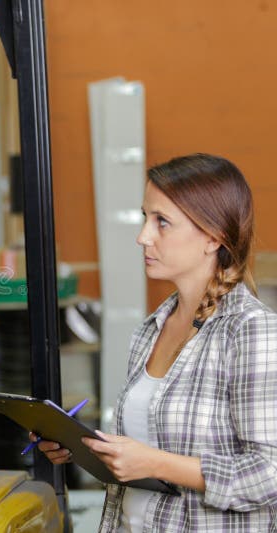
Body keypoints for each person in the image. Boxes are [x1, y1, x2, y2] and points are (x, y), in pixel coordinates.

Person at [35, 153, 277, 531]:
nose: (143, 236)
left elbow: (269, 475)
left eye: (162, 222)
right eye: (145, 217)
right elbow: (146, 452)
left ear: (213, 237)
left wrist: (153, 462)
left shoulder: (250, 332)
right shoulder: (151, 329)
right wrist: (83, 449)